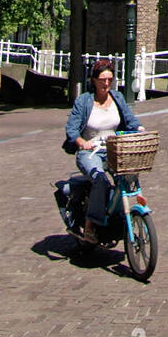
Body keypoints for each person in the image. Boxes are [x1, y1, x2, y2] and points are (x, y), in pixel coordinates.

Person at [65, 59, 143, 244]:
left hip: (113, 149)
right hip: (90, 151)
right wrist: (81, 142)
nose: (106, 83)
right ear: (94, 80)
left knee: (127, 178)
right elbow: (71, 128)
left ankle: (118, 216)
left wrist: (139, 129)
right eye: (102, 79)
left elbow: (130, 119)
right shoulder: (84, 101)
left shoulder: (117, 98)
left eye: (110, 79)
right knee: (99, 180)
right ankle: (90, 225)